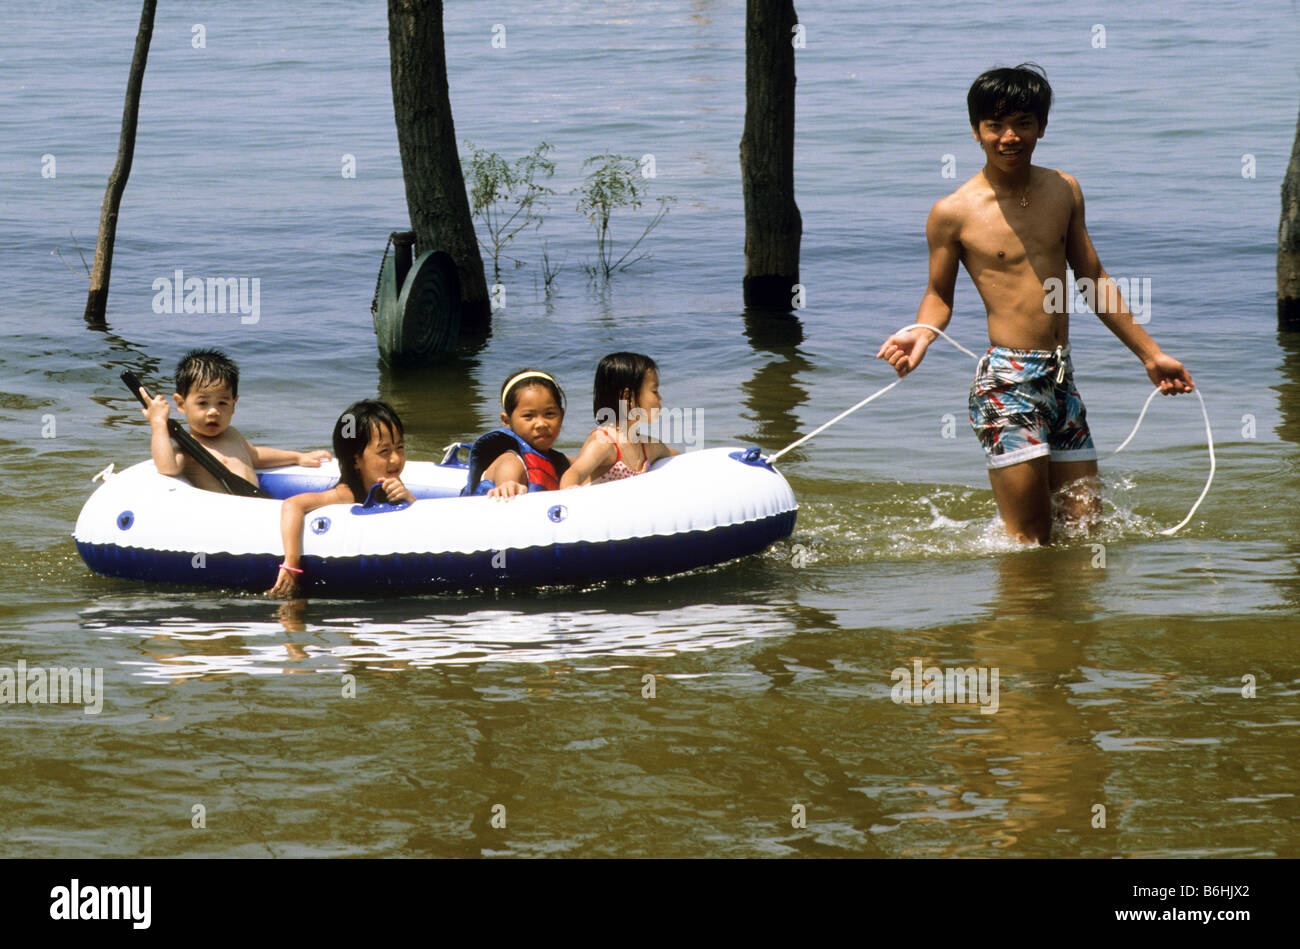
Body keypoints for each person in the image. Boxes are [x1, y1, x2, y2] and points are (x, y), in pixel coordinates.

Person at [876, 63, 1194, 545]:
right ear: (976, 131)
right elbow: (938, 296)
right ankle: (1015, 620)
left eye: (1023, 123)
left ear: (1041, 127)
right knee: (1029, 541)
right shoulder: (953, 212)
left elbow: (1091, 278)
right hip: (1008, 383)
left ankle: (1063, 623)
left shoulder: (1063, 189)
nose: (1009, 136)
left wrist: (1151, 355)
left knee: (1087, 535)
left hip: (1061, 379)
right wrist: (921, 333)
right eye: (995, 125)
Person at [268, 400, 413, 597]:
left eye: (400, 447)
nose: (396, 459)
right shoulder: (345, 495)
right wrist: (292, 564)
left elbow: (420, 519)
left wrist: (407, 497)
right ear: (356, 460)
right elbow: (292, 505)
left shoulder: (391, 487)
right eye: (384, 451)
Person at [142, 348, 330, 492]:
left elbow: (255, 456)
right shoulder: (189, 448)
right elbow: (168, 467)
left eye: (222, 403)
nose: (213, 411)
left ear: (234, 404)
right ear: (181, 404)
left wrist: (297, 457)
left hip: (253, 501)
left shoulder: (232, 435)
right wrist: (158, 422)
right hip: (230, 514)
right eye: (203, 403)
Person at [561, 352, 678, 488]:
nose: (660, 398)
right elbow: (573, 474)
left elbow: (680, 458)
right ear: (627, 396)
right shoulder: (604, 444)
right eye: (654, 391)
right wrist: (571, 491)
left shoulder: (647, 446)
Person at [461, 369, 570, 498]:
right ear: (506, 421)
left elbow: (580, 463)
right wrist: (508, 485)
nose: (541, 424)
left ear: (561, 415)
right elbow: (507, 479)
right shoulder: (512, 461)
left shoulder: (556, 460)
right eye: (529, 416)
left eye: (549, 414)